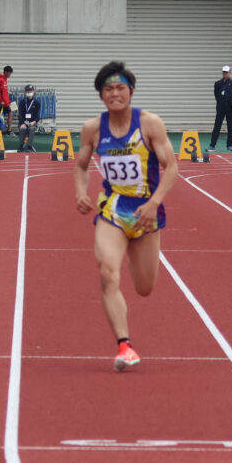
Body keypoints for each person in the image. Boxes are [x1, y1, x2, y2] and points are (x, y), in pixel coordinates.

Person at [73, 61, 178, 372]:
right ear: (101, 95)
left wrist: (154, 202)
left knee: (144, 287)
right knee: (107, 272)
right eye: (108, 89)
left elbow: (171, 167)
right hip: (113, 209)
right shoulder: (93, 129)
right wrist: (80, 192)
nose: (114, 93)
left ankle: (135, 255)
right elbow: (80, 165)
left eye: (120, 87)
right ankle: (124, 345)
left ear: (131, 92)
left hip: (146, 213)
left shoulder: (149, 124)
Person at [209, 65, 232, 151]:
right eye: (224, 72)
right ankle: (212, 145)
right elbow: (216, 95)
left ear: (230, 73)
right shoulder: (217, 83)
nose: (225, 74)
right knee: (217, 126)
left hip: (230, 108)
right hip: (221, 108)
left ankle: (229, 145)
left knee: (230, 127)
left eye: (226, 72)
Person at [16, 83, 41, 152]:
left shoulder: (37, 103)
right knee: (23, 129)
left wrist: (34, 122)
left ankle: (29, 147)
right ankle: (21, 145)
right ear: (25, 92)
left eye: (30, 90)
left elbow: (37, 116)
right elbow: (20, 114)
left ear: (34, 91)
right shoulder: (22, 102)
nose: (29, 92)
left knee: (31, 129)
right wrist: (22, 123)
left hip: (32, 122)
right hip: (24, 121)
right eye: (27, 91)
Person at [0, 65, 13, 135]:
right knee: (1, 115)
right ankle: (6, 131)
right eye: (9, 73)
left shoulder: (5, 80)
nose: (10, 75)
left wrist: (8, 101)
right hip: (2, 103)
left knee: (2, 115)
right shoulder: (1, 81)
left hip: (6, 102)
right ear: (5, 72)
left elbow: (4, 93)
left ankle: (7, 130)